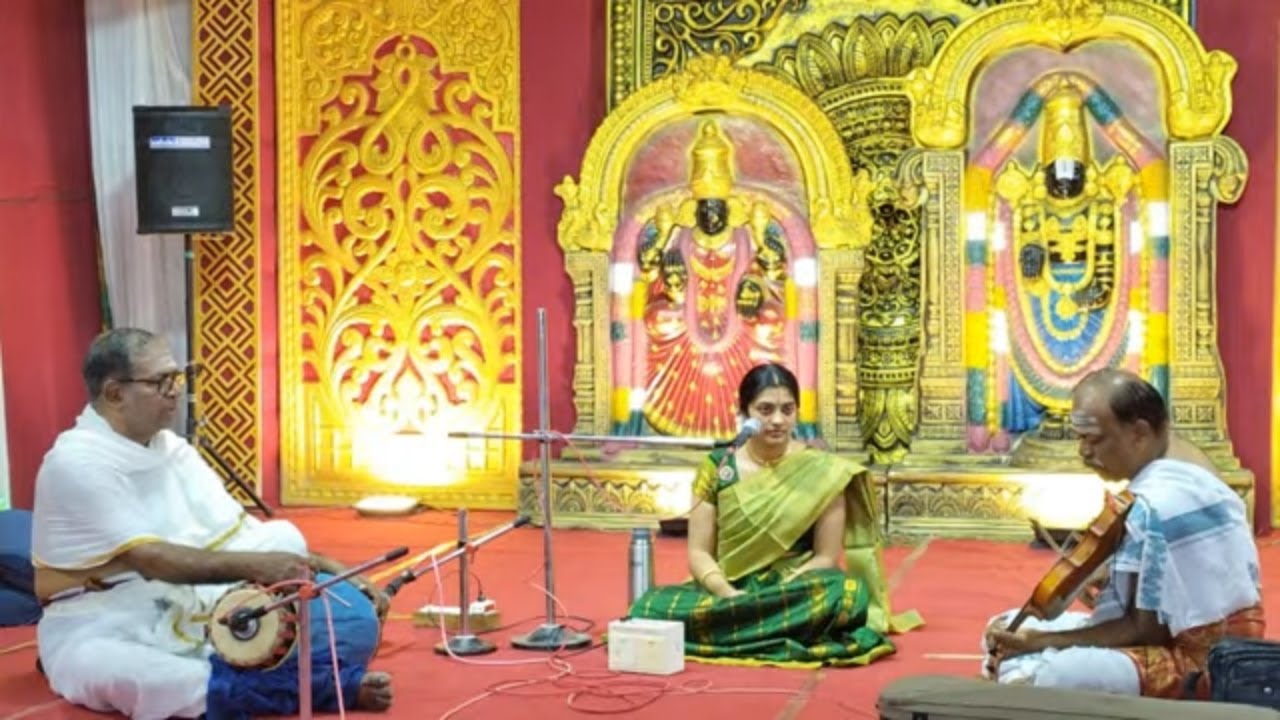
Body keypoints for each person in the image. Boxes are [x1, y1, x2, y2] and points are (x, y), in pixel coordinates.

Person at [31, 328, 394, 719]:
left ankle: (262, 664)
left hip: (201, 600)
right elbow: (152, 559)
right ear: (115, 393)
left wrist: (331, 568)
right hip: (103, 620)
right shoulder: (77, 463)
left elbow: (239, 534)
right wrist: (259, 568)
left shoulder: (172, 450)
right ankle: (320, 686)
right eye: (160, 382)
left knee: (354, 618)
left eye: (177, 376)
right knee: (150, 679)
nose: (175, 391)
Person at [984, 368, 1264, 698]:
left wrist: (1042, 642)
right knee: (1003, 624)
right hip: (1206, 640)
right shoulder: (1188, 468)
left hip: (1199, 660)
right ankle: (1024, 680)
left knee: (1061, 674)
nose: (1084, 452)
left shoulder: (1156, 504)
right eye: (1080, 438)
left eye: (1094, 438)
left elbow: (1145, 631)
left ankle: (1028, 683)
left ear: (1139, 433)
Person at [627, 363, 922, 666]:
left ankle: (737, 629)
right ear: (744, 413)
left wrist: (781, 590)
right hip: (729, 589)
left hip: (795, 588)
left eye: (787, 409)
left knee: (847, 593)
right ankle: (766, 627)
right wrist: (727, 594)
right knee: (648, 607)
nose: (778, 420)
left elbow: (826, 557)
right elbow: (699, 552)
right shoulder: (718, 467)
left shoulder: (823, 470)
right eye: (765, 410)